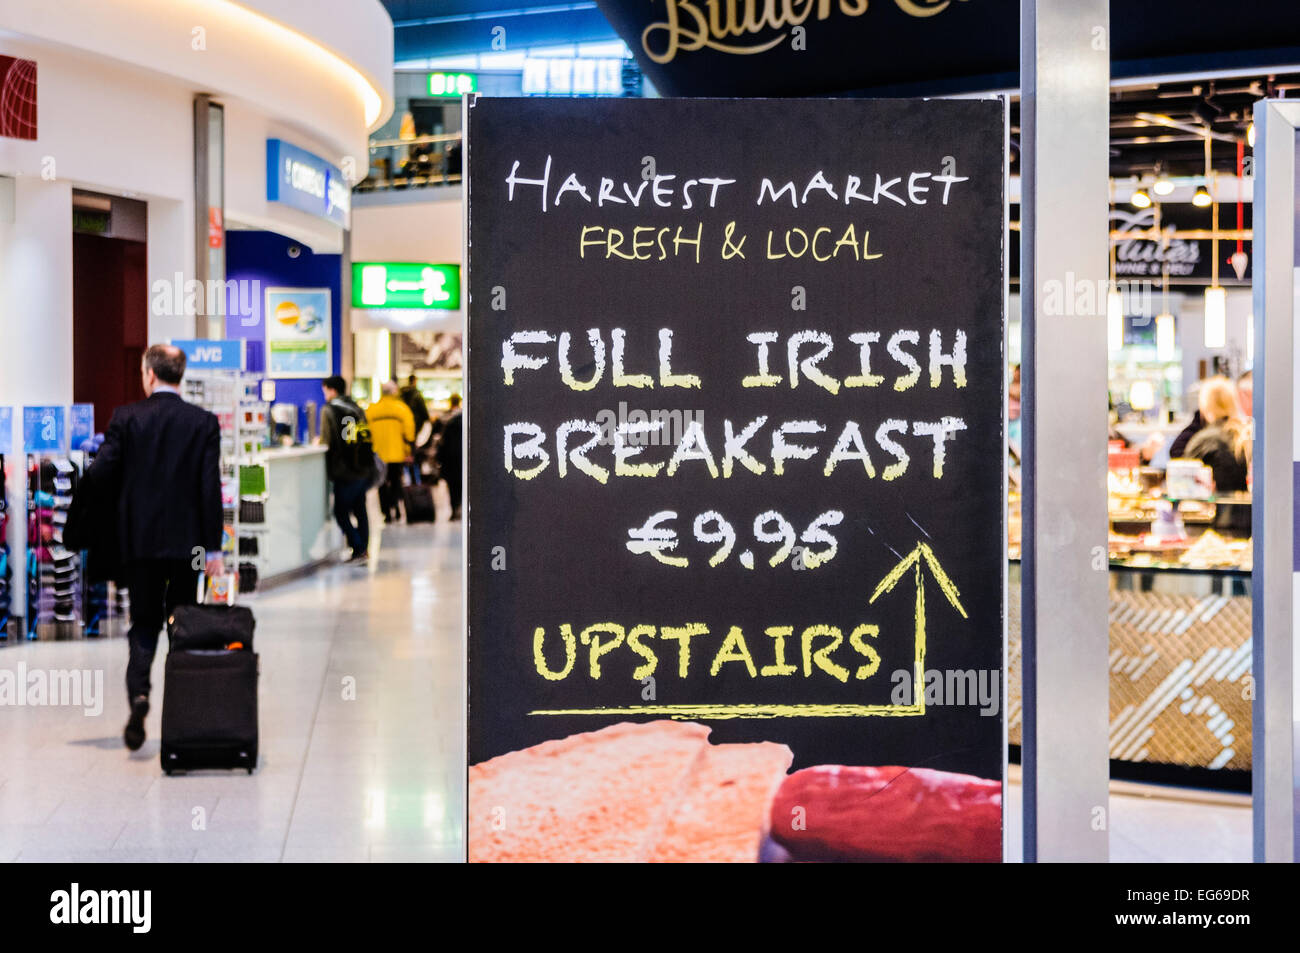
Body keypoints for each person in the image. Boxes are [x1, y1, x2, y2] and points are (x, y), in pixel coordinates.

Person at [70, 345, 223, 751]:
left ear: (150, 374)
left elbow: (101, 474)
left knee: (143, 621)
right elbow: (210, 487)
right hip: (189, 545)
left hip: (140, 543)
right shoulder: (203, 422)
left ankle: (139, 695)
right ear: (178, 375)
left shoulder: (126, 418)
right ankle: (186, 708)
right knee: (183, 616)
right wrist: (214, 549)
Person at [320, 376, 373, 561]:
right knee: (360, 508)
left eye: (325, 390)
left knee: (340, 511)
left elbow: (326, 441)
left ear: (331, 390)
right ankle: (363, 549)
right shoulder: (356, 407)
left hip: (344, 469)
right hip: (363, 466)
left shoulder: (329, 410)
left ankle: (357, 546)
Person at [1184, 376, 1251, 494]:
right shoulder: (1245, 435)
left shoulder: (1204, 440)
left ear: (1205, 405)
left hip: (1216, 510)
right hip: (1247, 510)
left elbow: (1184, 481)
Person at [368, 381, 416, 523]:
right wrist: (409, 451)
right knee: (396, 482)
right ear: (394, 392)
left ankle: (386, 512)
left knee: (382, 484)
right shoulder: (402, 409)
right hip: (397, 453)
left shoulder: (372, 410)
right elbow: (409, 433)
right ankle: (396, 508)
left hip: (379, 454)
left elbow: (366, 433)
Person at [435, 393, 463, 521]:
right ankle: (461, 506)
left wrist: (439, 458)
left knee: (452, 486)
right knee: (463, 484)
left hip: (450, 459)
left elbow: (441, 442)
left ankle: (454, 507)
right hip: (463, 458)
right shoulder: (468, 419)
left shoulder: (445, 419)